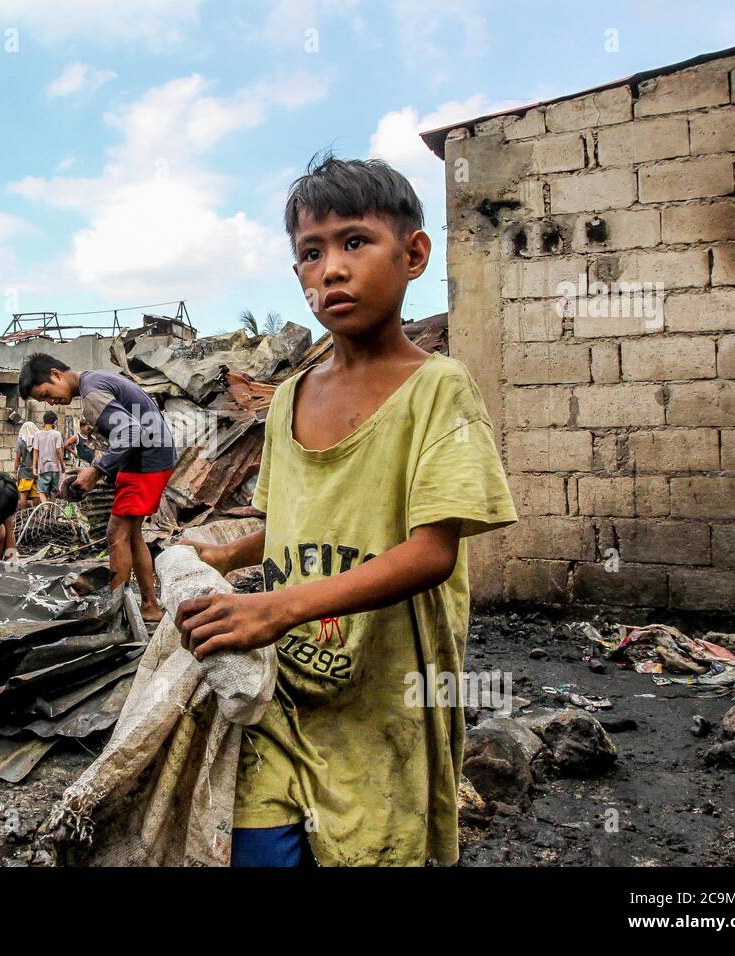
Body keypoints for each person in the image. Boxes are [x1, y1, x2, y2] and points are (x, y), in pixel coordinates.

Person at [175, 153, 517, 868]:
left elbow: (432, 553)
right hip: (287, 687)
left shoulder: (438, 391)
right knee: (255, 848)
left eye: (354, 242)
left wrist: (280, 606)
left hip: (388, 702)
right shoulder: (289, 400)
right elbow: (292, 524)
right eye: (310, 253)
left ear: (413, 253)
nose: (331, 268)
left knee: (370, 848)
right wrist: (224, 557)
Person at [19, 354, 175, 622]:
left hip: (146, 463)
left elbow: (131, 432)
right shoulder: (97, 380)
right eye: (43, 400)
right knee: (130, 534)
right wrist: (94, 470)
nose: (50, 402)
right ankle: (148, 605)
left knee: (116, 534)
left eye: (46, 394)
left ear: (56, 374)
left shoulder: (92, 393)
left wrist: (98, 471)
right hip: (152, 459)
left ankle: (118, 614)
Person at [31, 411, 66, 503]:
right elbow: (58, 451)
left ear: (44, 421)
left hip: (43, 468)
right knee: (53, 492)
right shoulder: (57, 434)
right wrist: (62, 466)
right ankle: (51, 510)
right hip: (55, 468)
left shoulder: (37, 434)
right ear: (54, 422)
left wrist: (34, 467)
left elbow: (35, 451)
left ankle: (45, 506)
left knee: (41, 491)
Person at [13, 420, 39, 509]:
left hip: (24, 473)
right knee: (36, 495)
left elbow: (17, 459)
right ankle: (35, 515)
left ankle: (24, 515)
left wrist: (14, 472)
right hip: (36, 472)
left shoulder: (20, 442)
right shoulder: (37, 441)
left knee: (23, 496)